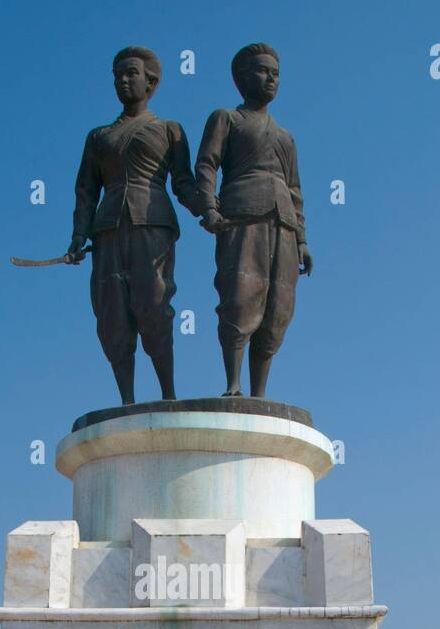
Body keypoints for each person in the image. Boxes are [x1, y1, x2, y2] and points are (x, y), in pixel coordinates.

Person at [68, 46, 201, 404]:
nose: (123, 81)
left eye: (131, 74)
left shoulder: (169, 130)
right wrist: (79, 234)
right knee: (112, 312)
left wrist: (209, 209)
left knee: (154, 304)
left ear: (151, 82)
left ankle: (168, 395)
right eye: (118, 76)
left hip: (152, 222)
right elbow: (85, 191)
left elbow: (184, 183)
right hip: (108, 228)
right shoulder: (98, 137)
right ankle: (127, 401)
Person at [195, 43, 312, 398]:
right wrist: (208, 208)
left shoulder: (286, 137)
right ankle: (233, 385)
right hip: (242, 215)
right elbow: (206, 165)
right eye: (263, 71)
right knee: (240, 295)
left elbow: (295, 189)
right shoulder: (226, 119)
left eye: (276, 73)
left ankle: (260, 393)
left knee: (278, 306)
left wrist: (303, 240)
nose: (271, 78)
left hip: (284, 225)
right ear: (242, 78)